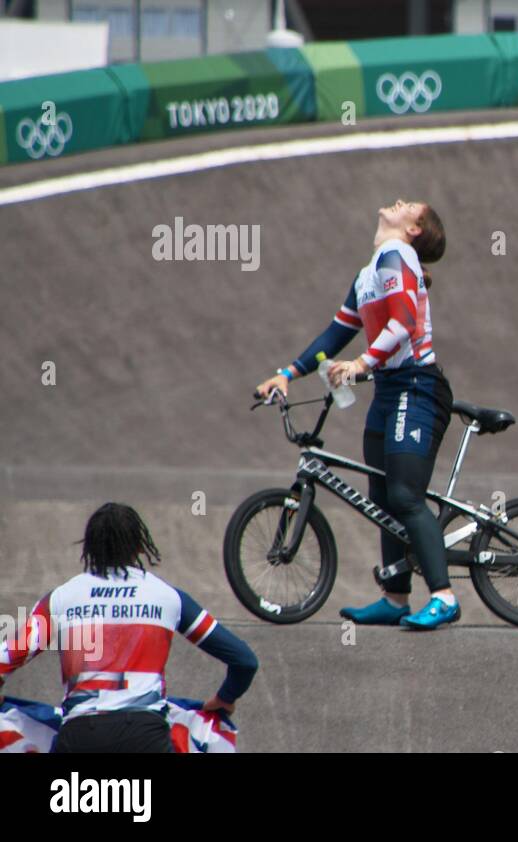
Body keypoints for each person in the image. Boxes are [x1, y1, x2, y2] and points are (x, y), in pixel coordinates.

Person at [254, 199, 458, 631]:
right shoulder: (369, 274)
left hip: (418, 387)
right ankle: (395, 597)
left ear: (415, 229)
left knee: (404, 496)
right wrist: (287, 374)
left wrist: (362, 364)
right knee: (384, 499)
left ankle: (443, 596)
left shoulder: (397, 254)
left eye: (410, 206)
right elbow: (336, 334)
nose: (398, 201)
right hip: (390, 390)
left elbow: (403, 323)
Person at [0, 503, 258, 752]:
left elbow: (5, 660)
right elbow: (245, 661)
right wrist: (224, 698)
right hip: (146, 737)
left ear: (89, 548)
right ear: (138, 546)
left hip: (80, 736)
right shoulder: (167, 596)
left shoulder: (60, 598)